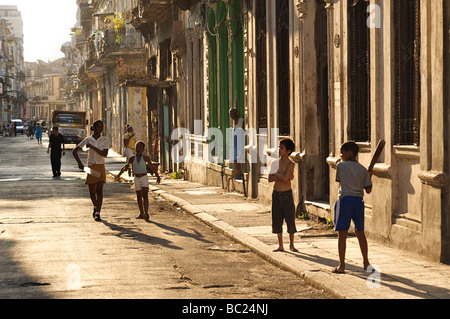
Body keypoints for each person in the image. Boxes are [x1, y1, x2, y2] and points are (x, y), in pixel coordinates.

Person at [333, 141, 372, 274]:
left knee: (342, 233)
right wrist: (368, 176)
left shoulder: (340, 166)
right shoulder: (363, 170)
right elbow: (368, 189)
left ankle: (342, 265)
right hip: (358, 201)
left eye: (342, 152)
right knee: (360, 232)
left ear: (349, 152)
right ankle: (366, 262)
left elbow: (340, 181)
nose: (341, 155)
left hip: (344, 201)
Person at [73, 120, 109, 222]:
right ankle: (95, 206)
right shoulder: (88, 140)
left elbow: (104, 154)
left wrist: (93, 147)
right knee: (92, 192)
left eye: (102, 127)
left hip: (100, 166)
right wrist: (79, 163)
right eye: (98, 127)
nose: (100, 129)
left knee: (99, 191)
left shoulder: (104, 140)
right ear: (94, 127)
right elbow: (75, 151)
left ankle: (98, 213)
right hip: (91, 166)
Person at [115, 141, 160, 221]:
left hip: (144, 178)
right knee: (139, 196)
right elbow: (125, 167)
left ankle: (146, 212)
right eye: (137, 147)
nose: (138, 149)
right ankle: (141, 213)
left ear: (143, 149)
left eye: (140, 147)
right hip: (136, 178)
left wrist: (157, 176)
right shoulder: (132, 158)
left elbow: (152, 167)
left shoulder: (146, 158)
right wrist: (119, 175)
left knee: (145, 195)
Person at [268, 138, 298, 253]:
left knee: (290, 219)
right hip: (276, 193)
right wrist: (282, 176)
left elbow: (286, 179)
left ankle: (291, 244)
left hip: (286, 194)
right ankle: (280, 244)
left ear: (288, 151)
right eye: (279, 147)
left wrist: (278, 175)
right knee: (277, 219)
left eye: (282, 148)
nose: (279, 150)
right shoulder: (275, 162)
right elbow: (270, 178)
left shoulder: (291, 164)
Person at [229, 108, 244, 178]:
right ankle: (238, 173)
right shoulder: (233, 122)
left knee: (239, 157)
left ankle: (241, 173)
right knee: (235, 158)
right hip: (235, 141)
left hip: (240, 141)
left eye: (231, 114)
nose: (231, 116)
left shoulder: (240, 120)